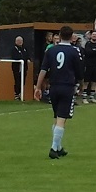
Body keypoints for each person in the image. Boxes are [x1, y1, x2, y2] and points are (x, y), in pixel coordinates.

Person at [37, 25, 83, 159]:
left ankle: (58, 147)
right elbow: (79, 71)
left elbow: (43, 70)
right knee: (62, 118)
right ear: (72, 36)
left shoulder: (51, 50)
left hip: (54, 87)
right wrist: (80, 85)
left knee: (57, 117)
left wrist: (38, 87)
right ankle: (53, 148)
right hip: (67, 87)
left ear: (60, 35)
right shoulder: (75, 51)